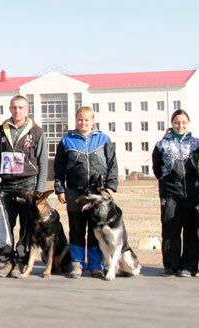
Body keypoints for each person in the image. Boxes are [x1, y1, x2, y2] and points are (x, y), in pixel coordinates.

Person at [54, 106, 117, 279]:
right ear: (76, 121)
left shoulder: (103, 139)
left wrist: (111, 187)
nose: (83, 123)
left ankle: (96, 264)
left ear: (93, 121)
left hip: (98, 195)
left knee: (96, 229)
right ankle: (77, 263)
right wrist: (60, 189)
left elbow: (112, 164)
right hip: (75, 192)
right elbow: (59, 168)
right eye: (80, 119)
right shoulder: (67, 141)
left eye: (87, 120)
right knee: (76, 229)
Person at [151, 109, 199, 277]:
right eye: (177, 122)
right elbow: (156, 168)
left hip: (192, 194)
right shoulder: (162, 144)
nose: (180, 125)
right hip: (170, 194)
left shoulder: (196, 144)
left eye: (184, 122)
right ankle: (171, 266)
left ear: (188, 123)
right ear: (172, 124)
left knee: (191, 230)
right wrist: (166, 182)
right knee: (170, 230)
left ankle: (189, 266)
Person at [0, 95, 48, 277]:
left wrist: (39, 190)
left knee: (26, 225)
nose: (17, 111)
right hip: (6, 185)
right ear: (10, 109)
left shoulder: (37, 132)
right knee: (4, 224)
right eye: (14, 107)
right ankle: (8, 260)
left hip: (28, 185)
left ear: (27, 109)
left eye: (21, 107)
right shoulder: (1, 130)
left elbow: (43, 162)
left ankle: (22, 261)